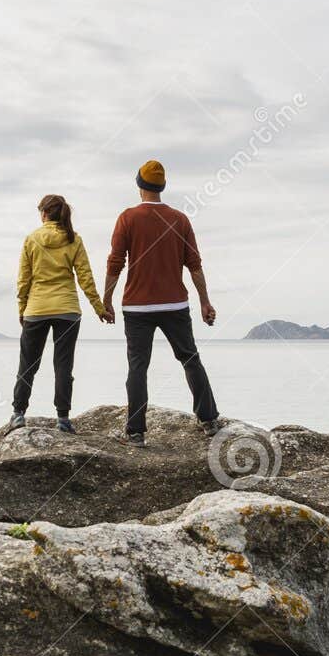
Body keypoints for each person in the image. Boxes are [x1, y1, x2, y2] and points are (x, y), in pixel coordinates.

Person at [99, 160, 221, 446]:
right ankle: (209, 419)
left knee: (138, 366)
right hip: (175, 305)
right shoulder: (180, 219)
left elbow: (115, 264)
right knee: (190, 359)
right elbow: (195, 265)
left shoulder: (127, 218)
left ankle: (137, 432)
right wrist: (205, 302)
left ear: (139, 185)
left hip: (137, 308)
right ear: (162, 187)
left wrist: (106, 300)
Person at [12, 194, 109, 433]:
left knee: (28, 365)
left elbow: (24, 280)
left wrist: (22, 308)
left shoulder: (31, 239)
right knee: (63, 366)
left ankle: (18, 414)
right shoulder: (73, 239)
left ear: (44, 214)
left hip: (37, 308)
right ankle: (63, 419)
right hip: (67, 309)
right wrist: (100, 308)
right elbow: (85, 277)